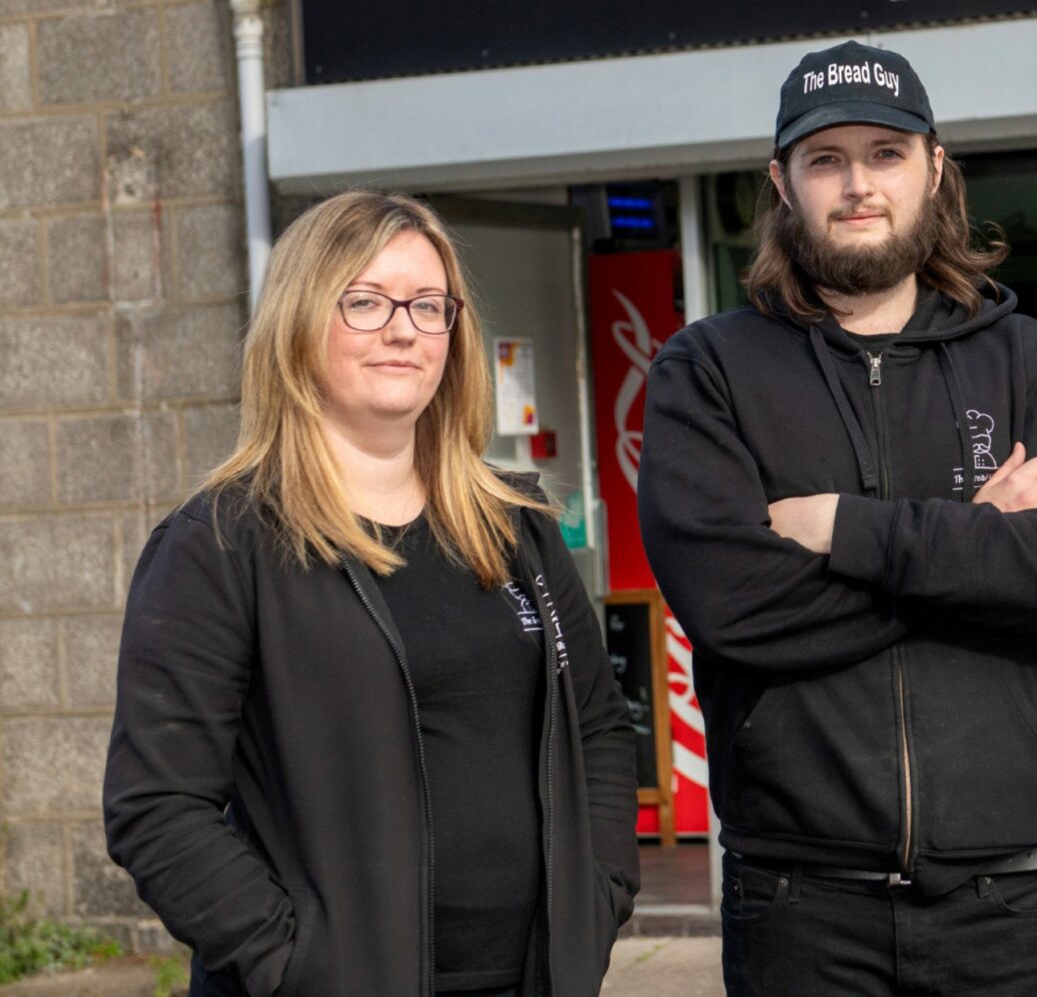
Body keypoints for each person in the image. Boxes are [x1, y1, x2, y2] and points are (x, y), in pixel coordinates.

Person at [638, 40, 1037, 996]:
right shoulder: (708, 371)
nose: (859, 185)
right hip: (799, 903)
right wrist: (976, 536)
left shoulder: (1030, 361)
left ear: (934, 169)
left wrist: (846, 529)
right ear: (782, 182)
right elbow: (736, 610)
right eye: (826, 159)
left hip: (1012, 900)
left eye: (886, 154)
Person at [104, 191, 639, 997]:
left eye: (428, 305)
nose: (403, 329)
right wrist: (294, 965)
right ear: (298, 321)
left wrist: (595, 902)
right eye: (365, 302)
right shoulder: (220, 543)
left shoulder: (513, 526)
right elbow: (158, 806)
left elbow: (595, 727)